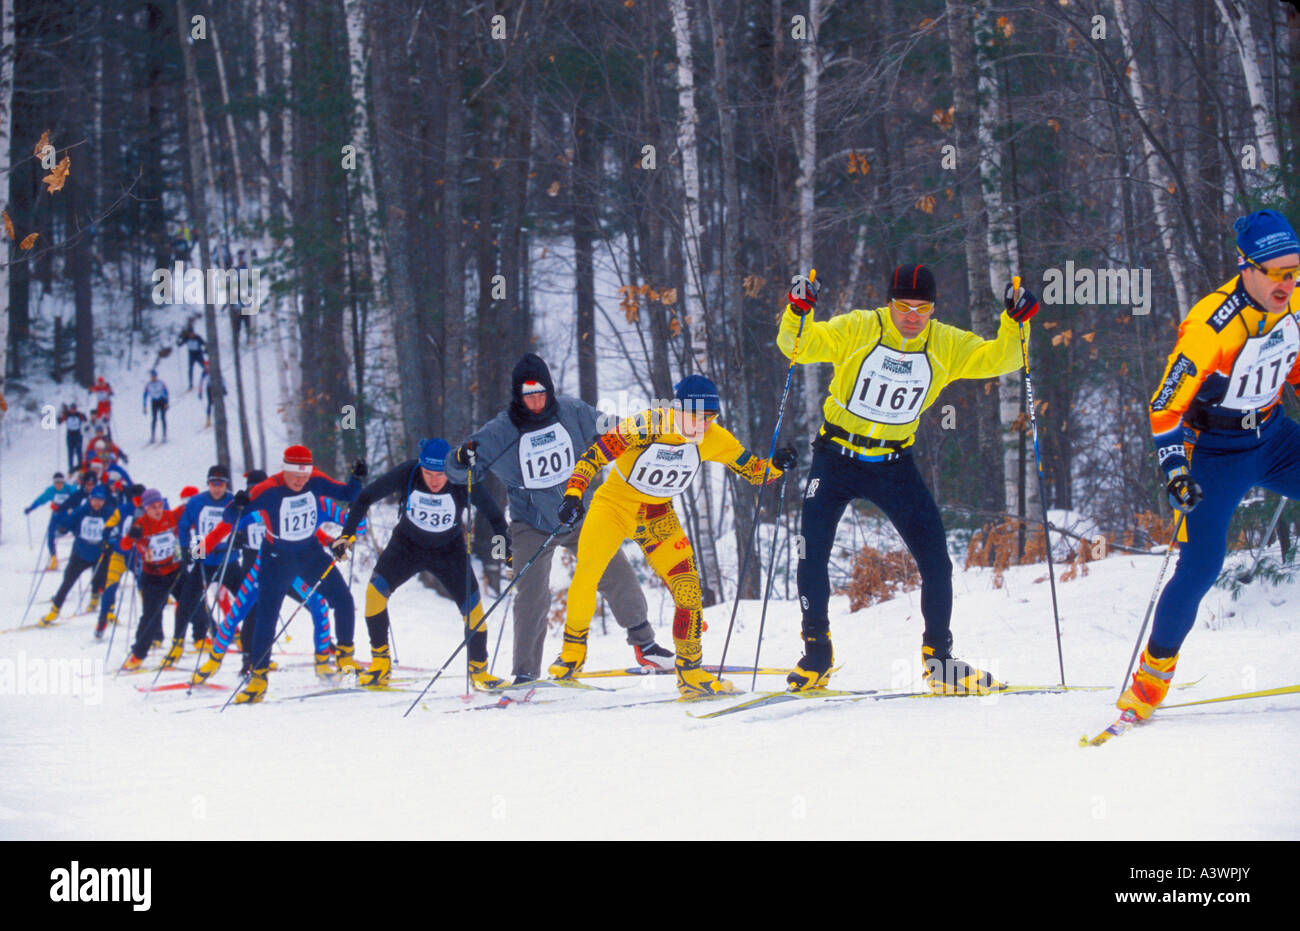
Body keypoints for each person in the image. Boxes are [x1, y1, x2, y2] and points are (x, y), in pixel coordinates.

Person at [776, 264, 1039, 693]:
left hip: (893, 464)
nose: (913, 317)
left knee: (936, 560)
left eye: (923, 308)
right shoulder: (859, 327)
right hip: (835, 458)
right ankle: (816, 653)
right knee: (812, 553)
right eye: (903, 307)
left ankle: (940, 663)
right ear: (888, 303)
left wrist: (1015, 323)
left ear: (934, 309)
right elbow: (798, 346)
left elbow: (1005, 358)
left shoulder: (945, 344)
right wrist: (798, 310)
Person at [1125, 210, 1300, 719]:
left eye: (1295, 271)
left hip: (1273, 436)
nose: (1288, 283)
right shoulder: (1210, 326)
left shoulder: (1293, 301)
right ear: (1246, 266)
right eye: (1277, 273)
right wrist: (1176, 470)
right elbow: (1164, 405)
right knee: (1201, 567)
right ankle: (1148, 685)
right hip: (1216, 453)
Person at [548, 375, 793, 697]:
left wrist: (777, 464)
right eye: (696, 417)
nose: (702, 426)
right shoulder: (646, 426)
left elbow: (755, 472)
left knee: (688, 588)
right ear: (677, 410)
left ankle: (690, 672)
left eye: (710, 418)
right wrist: (573, 494)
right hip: (614, 507)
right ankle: (571, 654)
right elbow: (593, 457)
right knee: (588, 575)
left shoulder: (714, 438)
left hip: (657, 516)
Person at [445, 353, 673, 684]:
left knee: (615, 570)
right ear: (517, 396)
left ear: (550, 390)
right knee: (531, 595)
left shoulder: (571, 411)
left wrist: (642, 433)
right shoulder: (500, 431)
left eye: (541, 393)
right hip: (530, 523)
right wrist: (459, 458)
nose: (536, 401)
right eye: (528, 395)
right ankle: (525, 672)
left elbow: (610, 429)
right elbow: (461, 470)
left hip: (579, 513)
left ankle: (645, 643)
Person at [334, 438, 508, 690]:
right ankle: (380, 665)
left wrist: (505, 548)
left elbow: (494, 513)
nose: (435, 480)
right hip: (407, 546)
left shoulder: (462, 477)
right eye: (428, 473)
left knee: (473, 609)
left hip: (449, 551)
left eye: (440, 474)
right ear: (420, 467)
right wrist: (346, 534)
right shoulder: (408, 472)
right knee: (374, 594)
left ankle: (479, 672)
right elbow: (365, 498)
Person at [213, 445, 363, 703]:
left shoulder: (315, 479)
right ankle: (258, 678)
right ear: (285, 470)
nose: (300, 481)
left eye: (304, 477)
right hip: (276, 559)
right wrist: (236, 504)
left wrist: (357, 477)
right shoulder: (267, 489)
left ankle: (345, 660)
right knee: (266, 617)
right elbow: (230, 517)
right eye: (295, 476)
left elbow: (347, 494)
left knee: (343, 600)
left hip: (310, 554)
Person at [170, 465, 237, 666]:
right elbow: (184, 527)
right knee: (186, 601)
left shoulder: (233, 502)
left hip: (228, 558)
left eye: (221, 485)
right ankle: (177, 644)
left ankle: (248, 643)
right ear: (208, 484)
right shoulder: (197, 502)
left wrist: (240, 540)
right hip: (203, 557)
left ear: (226, 485)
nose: (217, 489)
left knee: (247, 598)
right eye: (213, 484)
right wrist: (185, 552)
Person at [118, 489, 185, 665]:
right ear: (146, 508)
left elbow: (191, 511)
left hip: (175, 570)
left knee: (191, 603)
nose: (158, 510)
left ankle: (200, 638)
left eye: (160, 506)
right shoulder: (140, 524)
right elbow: (124, 546)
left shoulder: (170, 517)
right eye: (153, 507)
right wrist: (131, 536)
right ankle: (138, 654)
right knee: (151, 615)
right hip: (152, 575)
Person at [41, 485, 121, 627]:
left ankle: (107, 609)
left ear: (104, 501)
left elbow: (117, 530)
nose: (97, 503)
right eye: (95, 500)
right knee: (67, 582)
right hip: (80, 553)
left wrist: (110, 542)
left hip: (100, 554)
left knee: (105, 581)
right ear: (90, 499)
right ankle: (55, 610)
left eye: (100, 500)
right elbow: (67, 523)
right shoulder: (81, 511)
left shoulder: (109, 512)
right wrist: (61, 526)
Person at [26, 473, 71, 570]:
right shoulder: (51, 490)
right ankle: (54, 559)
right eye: (56, 483)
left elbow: (80, 497)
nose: (59, 485)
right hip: (56, 516)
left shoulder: (69, 489)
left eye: (61, 482)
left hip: (68, 517)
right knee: (50, 536)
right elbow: (41, 500)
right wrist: (31, 508)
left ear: (63, 482)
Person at [143, 369, 169, 443]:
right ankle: (153, 436)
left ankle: (164, 435)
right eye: (152, 376)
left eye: (155, 376)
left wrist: (167, 402)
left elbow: (166, 392)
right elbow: (145, 395)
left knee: (163, 418)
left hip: (162, 401)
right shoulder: (148, 385)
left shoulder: (161, 383)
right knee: (154, 419)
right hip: (154, 402)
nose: (153, 377)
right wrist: (144, 406)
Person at [59, 403, 85, 471]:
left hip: (78, 434)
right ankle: (71, 467)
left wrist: (84, 418)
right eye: (72, 409)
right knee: (70, 452)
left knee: (79, 451)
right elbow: (60, 421)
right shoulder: (67, 415)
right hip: (70, 435)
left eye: (74, 409)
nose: (73, 410)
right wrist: (59, 418)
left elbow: (85, 419)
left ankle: (80, 465)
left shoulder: (79, 415)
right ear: (70, 409)